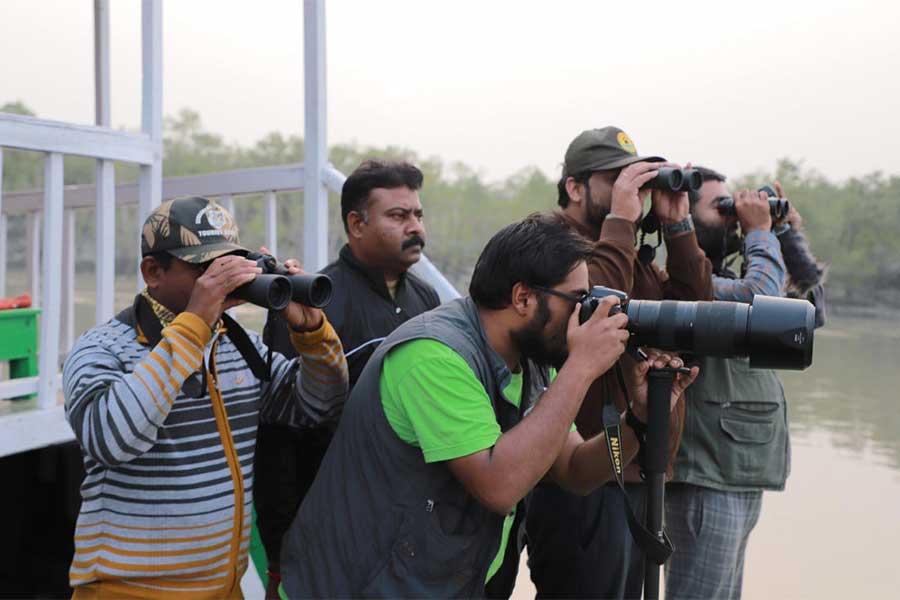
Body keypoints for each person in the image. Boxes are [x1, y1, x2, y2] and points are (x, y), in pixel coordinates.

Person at [280, 212, 698, 598]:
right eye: (577, 300)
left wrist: (640, 418)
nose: (584, 315)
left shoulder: (532, 359)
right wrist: (582, 368)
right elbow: (499, 486)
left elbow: (574, 470)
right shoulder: (433, 356)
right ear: (522, 298)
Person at [62, 196, 349, 598]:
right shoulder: (102, 348)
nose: (222, 278)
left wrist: (312, 332)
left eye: (229, 263)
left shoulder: (237, 345)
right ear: (152, 272)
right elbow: (111, 440)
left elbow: (321, 404)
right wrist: (194, 324)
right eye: (204, 268)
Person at [525, 127, 713, 599]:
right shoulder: (548, 245)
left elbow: (695, 319)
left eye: (640, 179)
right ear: (574, 187)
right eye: (618, 178)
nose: (635, 191)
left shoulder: (630, 252)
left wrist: (678, 228)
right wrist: (622, 220)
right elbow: (589, 305)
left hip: (640, 466)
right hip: (582, 472)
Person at [254, 160, 440, 596]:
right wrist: (281, 549)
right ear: (356, 224)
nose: (414, 226)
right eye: (398, 215)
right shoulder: (311, 304)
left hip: (402, 534)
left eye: (417, 214)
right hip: (324, 535)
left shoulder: (426, 300)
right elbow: (278, 434)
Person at [664, 168, 827, 600]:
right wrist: (760, 233)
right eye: (720, 208)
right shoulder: (686, 285)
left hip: (738, 469)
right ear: (687, 216)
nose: (733, 217)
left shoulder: (730, 271)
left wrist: (786, 233)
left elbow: (808, 317)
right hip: (705, 474)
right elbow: (762, 300)